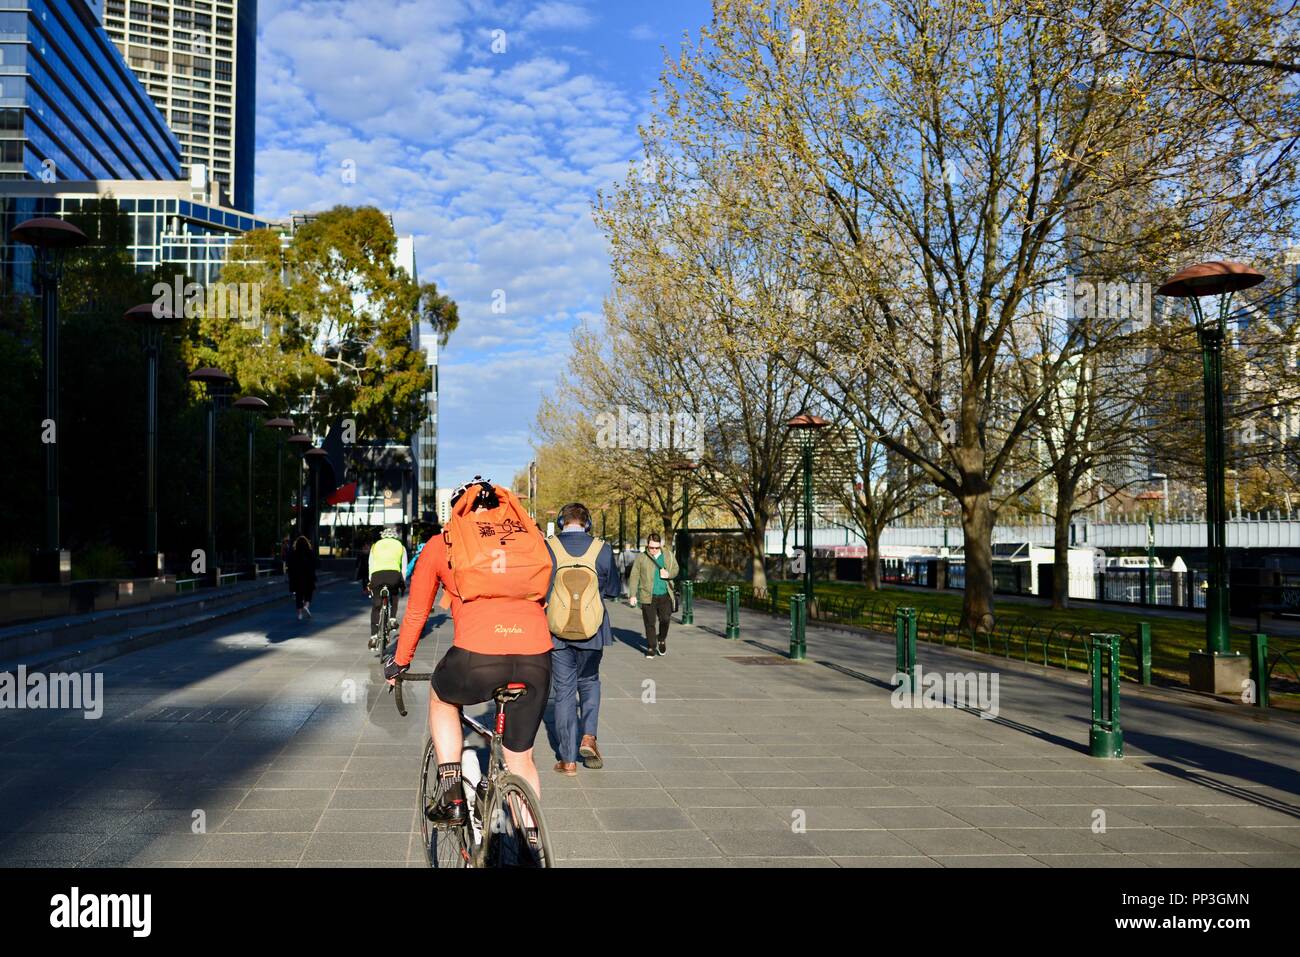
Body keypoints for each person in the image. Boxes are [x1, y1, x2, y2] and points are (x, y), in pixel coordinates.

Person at [385, 477, 555, 826]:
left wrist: (399, 663)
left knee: (442, 697)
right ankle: (532, 848)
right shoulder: (528, 539)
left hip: (477, 656)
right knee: (521, 762)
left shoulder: (443, 542)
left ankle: (452, 797)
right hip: (536, 657)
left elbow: (417, 612)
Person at [545, 503, 620, 775]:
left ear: (563, 522)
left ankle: (567, 760)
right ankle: (589, 736)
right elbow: (612, 590)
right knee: (589, 682)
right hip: (593, 630)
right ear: (587, 524)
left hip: (557, 633)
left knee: (563, 691)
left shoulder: (549, 547)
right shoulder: (601, 548)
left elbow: (540, 590)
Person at [628, 532, 679, 657]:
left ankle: (661, 638)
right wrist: (632, 595)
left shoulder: (668, 555)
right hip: (647, 595)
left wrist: (669, 574)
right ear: (647, 545)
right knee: (650, 623)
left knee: (665, 620)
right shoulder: (641, 557)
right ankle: (651, 647)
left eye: (656, 547)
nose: (654, 550)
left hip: (665, 595)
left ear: (660, 545)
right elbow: (634, 576)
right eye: (651, 547)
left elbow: (676, 569)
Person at [365, 526, 408, 650]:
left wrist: (370, 581)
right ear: (395, 536)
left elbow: (370, 564)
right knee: (394, 594)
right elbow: (404, 567)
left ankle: (373, 637)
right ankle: (393, 619)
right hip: (394, 575)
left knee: (376, 606)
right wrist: (402, 582)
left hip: (377, 576)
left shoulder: (375, 545)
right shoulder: (400, 546)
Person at [286, 535, 317, 620]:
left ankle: (299, 614)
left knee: (299, 595)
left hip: (297, 578)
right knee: (309, 593)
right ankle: (306, 605)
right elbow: (314, 564)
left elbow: (290, 566)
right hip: (308, 577)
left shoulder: (293, 553)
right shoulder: (310, 552)